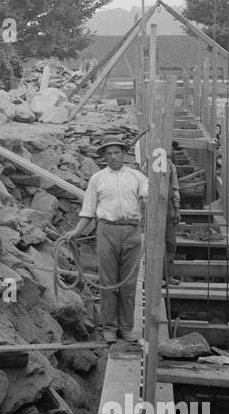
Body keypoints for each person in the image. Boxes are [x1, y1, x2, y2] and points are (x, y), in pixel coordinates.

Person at [73, 139, 149, 342]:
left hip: (132, 231)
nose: (113, 157)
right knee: (108, 282)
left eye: (117, 152)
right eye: (109, 153)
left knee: (129, 283)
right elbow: (88, 210)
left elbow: (150, 198)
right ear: (104, 156)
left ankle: (126, 328)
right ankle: (109, 328)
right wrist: (76, 231)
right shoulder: (97, 179)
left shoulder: (137, 177)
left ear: (123, 154)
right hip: (107, 230)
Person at [165, 140, 183, 285]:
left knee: (170, 243)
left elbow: (175, 188)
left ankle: (167, 275)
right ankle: (155, 276)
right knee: (155, 243)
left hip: (168, 207)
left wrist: (176, 208)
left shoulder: (171, 166)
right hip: (153, 207)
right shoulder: (151, 164)